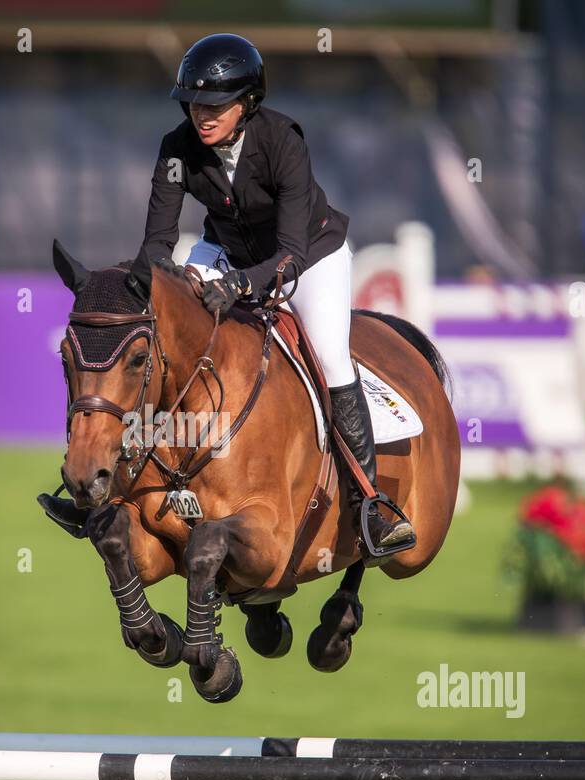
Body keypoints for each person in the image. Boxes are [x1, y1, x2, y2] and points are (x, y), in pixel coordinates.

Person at [40, 33, 413, 560]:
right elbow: (158, 246)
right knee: (167, 334)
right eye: (194, 103)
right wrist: (142, 291)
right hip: (226, 251)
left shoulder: (284, 141)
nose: (202, 114)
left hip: (311, 257)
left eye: (215, 104)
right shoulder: (177, 149)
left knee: (330, 356)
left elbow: (288, 254)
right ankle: (110, 489)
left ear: (248, 102)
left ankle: (370, 502)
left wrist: (239, 285)